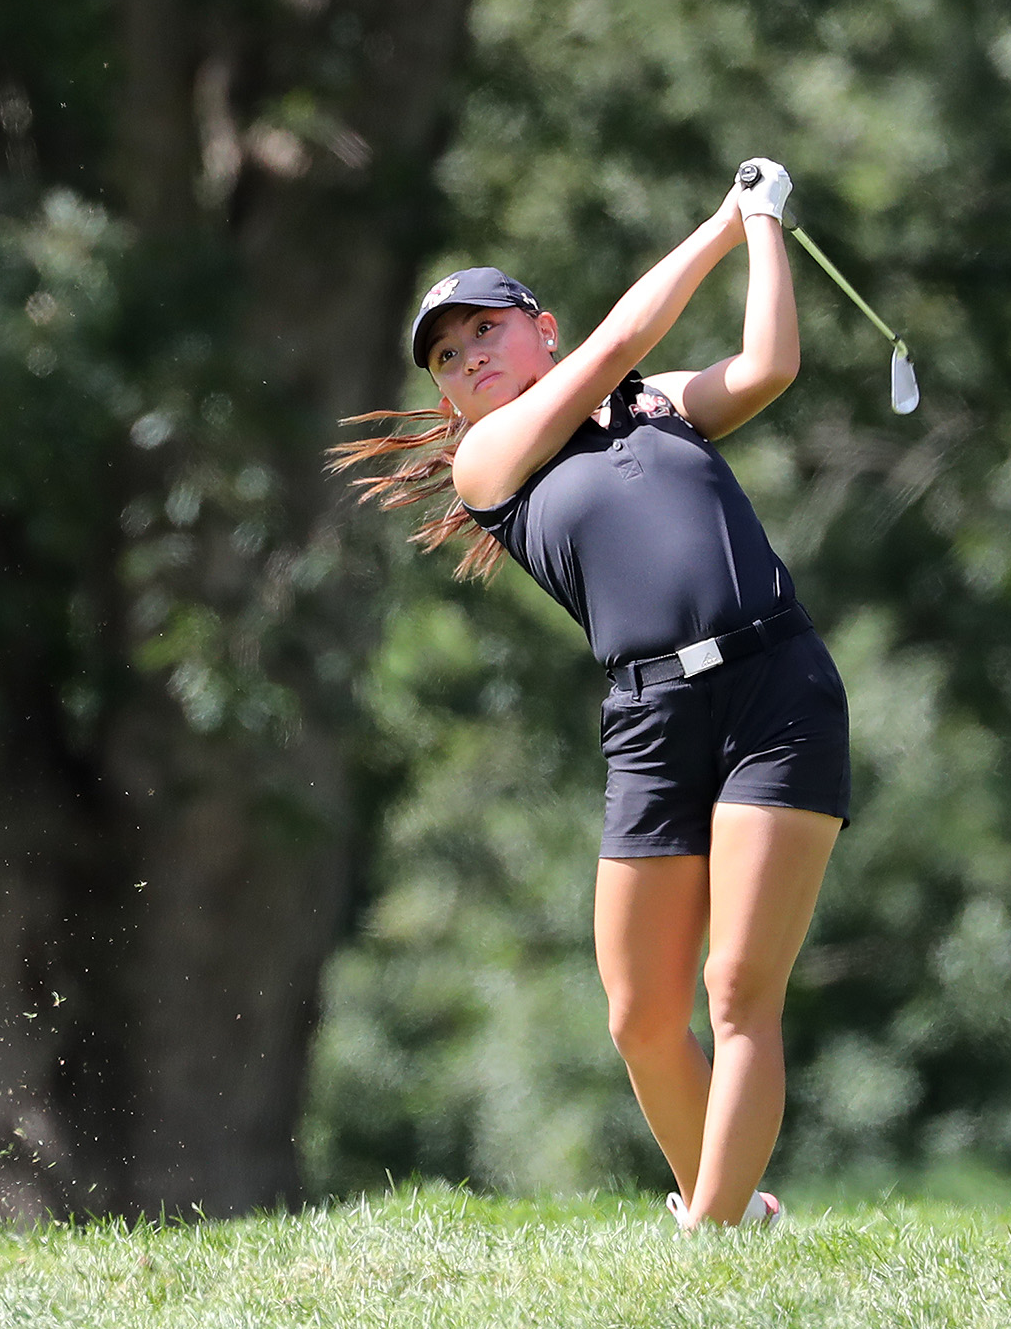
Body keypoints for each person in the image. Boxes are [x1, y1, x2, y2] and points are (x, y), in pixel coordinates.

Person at [331, 159, 848, 1231]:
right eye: (448, 355)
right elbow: (616, 344)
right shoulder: (489, 464)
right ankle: (739, 1215)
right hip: (652, 721)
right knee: (639, 1016)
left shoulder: (658, 411)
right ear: (446, 395)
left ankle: (710, 1239)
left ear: (538, 328)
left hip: (774, 689)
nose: (470, 357)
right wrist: (721, 218)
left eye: (485, 331)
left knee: (738, 990)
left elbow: (766, 363)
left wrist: (766, 230)